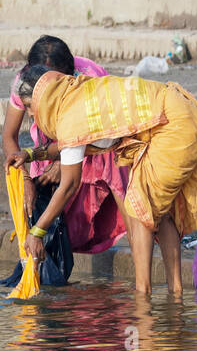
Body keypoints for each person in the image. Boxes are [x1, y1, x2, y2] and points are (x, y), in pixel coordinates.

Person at [10, 64, 197, 296]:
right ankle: (175, 294)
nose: (29, 113)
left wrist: (37, 231)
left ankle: (142, 296)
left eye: (28, 106)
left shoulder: (69, 115)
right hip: (181, 113)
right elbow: (71, 146)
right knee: (161, 212)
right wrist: (30, 154)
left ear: (41, 97)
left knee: (139, 208)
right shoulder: (73, 97)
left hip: (173, 125)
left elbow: (69, 185)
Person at [3, 35, 128, 253]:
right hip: (48, 149)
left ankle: (139, 264)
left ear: (69, 74)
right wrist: (24, 177)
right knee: (48, 219)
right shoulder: (23, 82)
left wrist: (62, 163)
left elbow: (101, 132)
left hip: (94, 145)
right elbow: (9, 136)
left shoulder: (89, 76)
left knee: (111, 180)